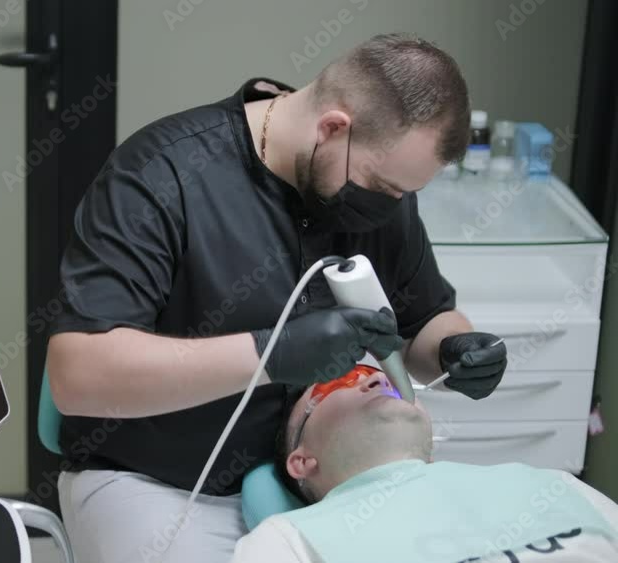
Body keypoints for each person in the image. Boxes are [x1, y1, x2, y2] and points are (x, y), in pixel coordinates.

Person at [48, 33, 510, 563]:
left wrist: (454, 347)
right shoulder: (162, 174)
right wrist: (272, 353)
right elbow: (79, 377)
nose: (392, 206)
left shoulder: (377, 192)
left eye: (406, 193)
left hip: (323, 482)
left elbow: (425, 318)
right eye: (382, 186)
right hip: (162, 482)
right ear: (333, 127)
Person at [231, 366, 618, 562]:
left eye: (387, 377)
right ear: (302, 461)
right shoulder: (287, 538)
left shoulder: (552, 484)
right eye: (342, 382)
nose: (377, 379)